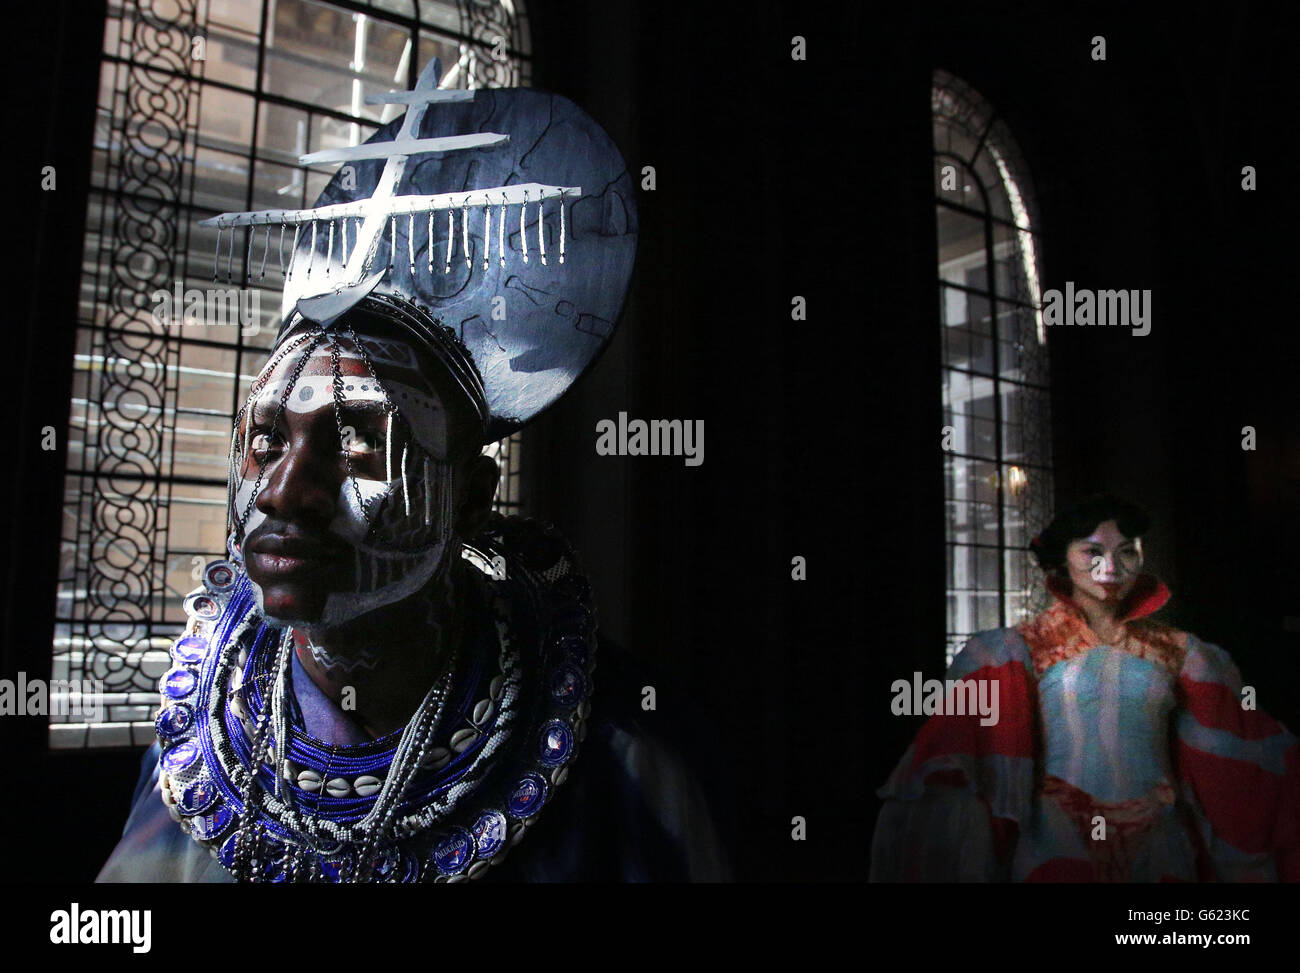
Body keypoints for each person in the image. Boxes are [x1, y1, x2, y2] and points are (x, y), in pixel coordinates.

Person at [96, 58, 730, 883]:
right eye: (265, 440)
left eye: (357, 441)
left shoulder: (626, 760)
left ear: (471, 499)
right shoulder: (200, 738)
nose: (286, 493)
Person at [870, 493, 1298, 882]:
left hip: (1161, 831)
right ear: (1062, 561)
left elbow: (1236, 749)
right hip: (1056, 830)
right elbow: (966, 749)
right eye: (1092, 552)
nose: (1110, 568)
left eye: (1126, 552)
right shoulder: (1015, 649)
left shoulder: (1183, 653)